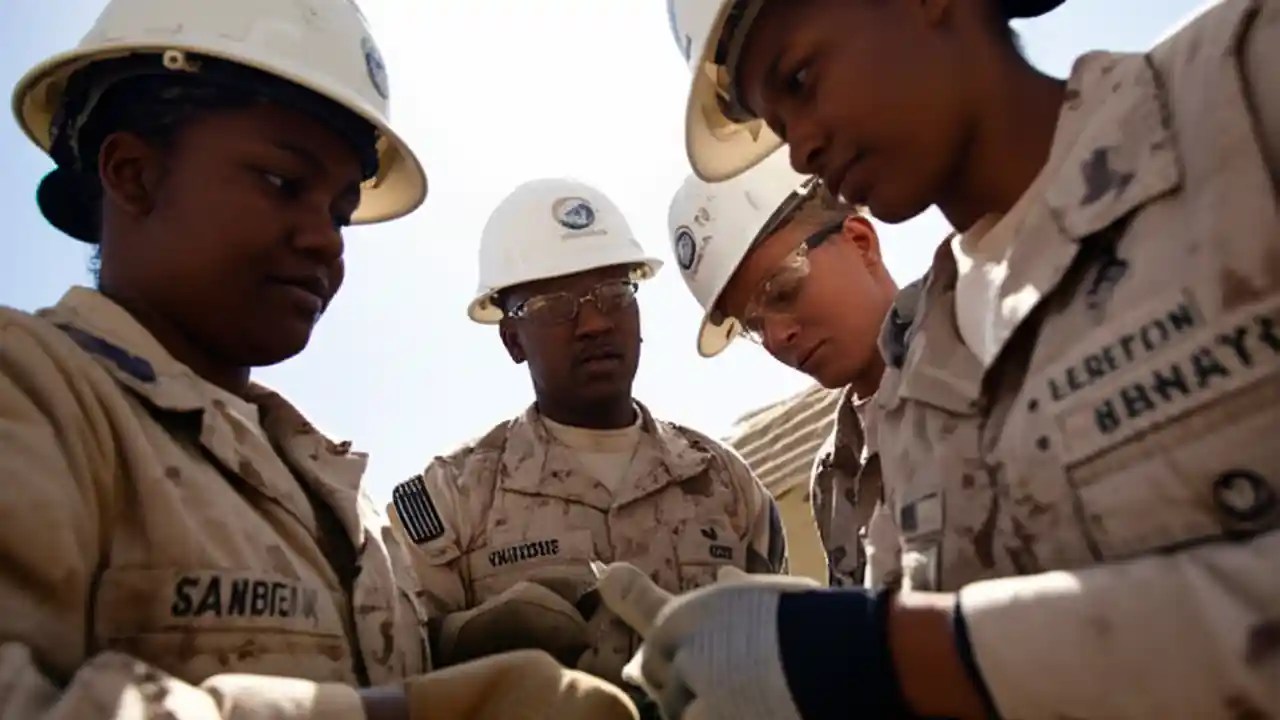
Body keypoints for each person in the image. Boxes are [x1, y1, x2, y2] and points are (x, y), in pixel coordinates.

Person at [600, 0, 1280, 718]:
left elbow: (933, 661)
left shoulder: (1242, 98)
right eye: (776, 123)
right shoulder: (923, 376)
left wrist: (907, 654)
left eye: (799, 79)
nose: (798, 150)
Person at [0, 1, 637, 719]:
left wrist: (456, 643)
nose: (326, 242)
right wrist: (405, 714)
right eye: (282, 183)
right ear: (133, 173)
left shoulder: (321, 483)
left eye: (337, 211)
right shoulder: (34, 395)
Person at [388, 178, 788, 694]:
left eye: (615, 294)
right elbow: (397, 676)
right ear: (512, 340)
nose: (595, 323)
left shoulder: (723, 481)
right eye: (555, 306)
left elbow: (779, 666)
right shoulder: (452, 500)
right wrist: (460, 642)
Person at [667, 148, 903, 589]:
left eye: (782, 289)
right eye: (753, 327)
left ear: (860, 243)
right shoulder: (833, 476)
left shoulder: (994, 348)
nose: (777, 338)